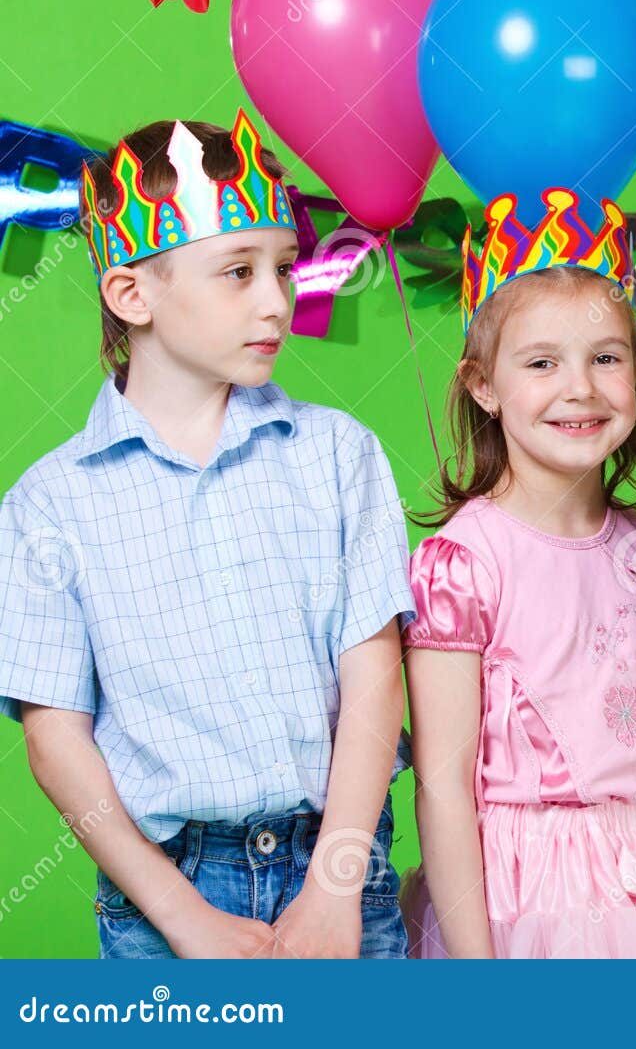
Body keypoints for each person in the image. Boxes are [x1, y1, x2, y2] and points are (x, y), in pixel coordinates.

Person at [0, 112, 414, 958]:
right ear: (132, 294)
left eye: (283, 268)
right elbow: (56, 742)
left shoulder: (339, 455)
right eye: (237, 272)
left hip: (340, 865)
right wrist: (181, 916)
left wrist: (335, 886)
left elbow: (374, 683)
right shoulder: (49, 505)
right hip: (167, 889)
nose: (277, 299)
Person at [401, 188, 636, 958]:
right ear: (483, 386)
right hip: (525, 908)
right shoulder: (462, 565)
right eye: (542, 362)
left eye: (605, 358)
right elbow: (444, 789)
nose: (580, 388)